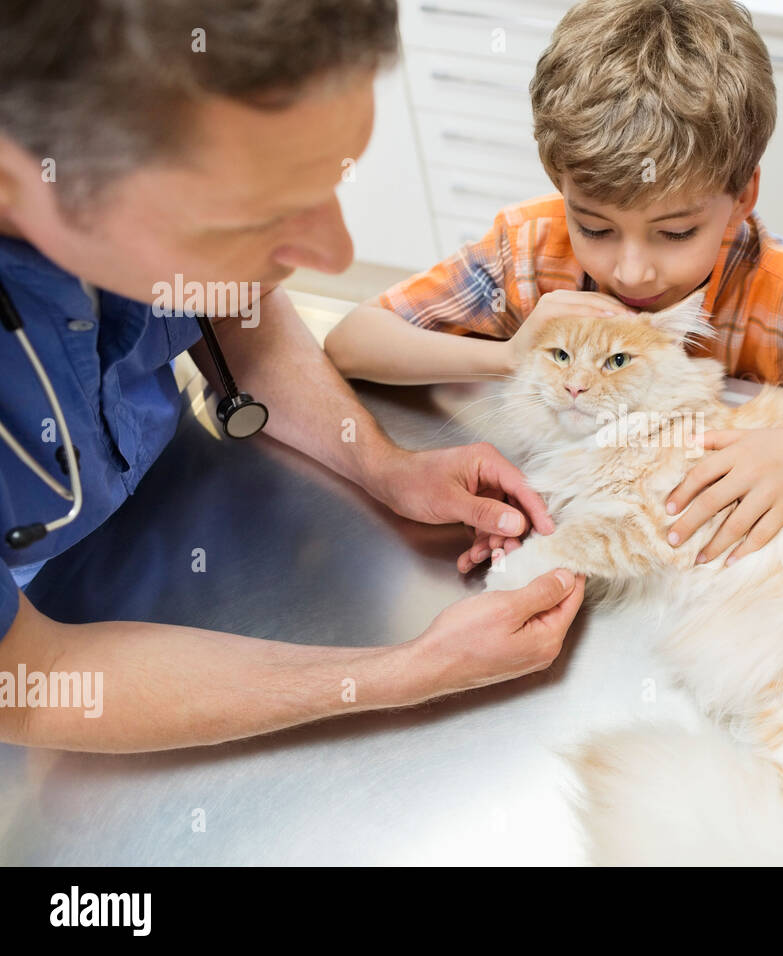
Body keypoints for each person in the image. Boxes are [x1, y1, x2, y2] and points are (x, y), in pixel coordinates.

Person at [0, 0, 587, 753]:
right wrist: (401, 673)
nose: (337, 255)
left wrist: (384, 467)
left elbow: (231, 302)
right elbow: (32, 680)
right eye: (253, 218)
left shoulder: (126, 189)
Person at [324, 0, 783, 568]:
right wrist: (507, 354)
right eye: (594, 226)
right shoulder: (532, 247)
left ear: (742, 197)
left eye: (675, 234)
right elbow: (354, 342)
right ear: (561, 188)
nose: (630, 270)